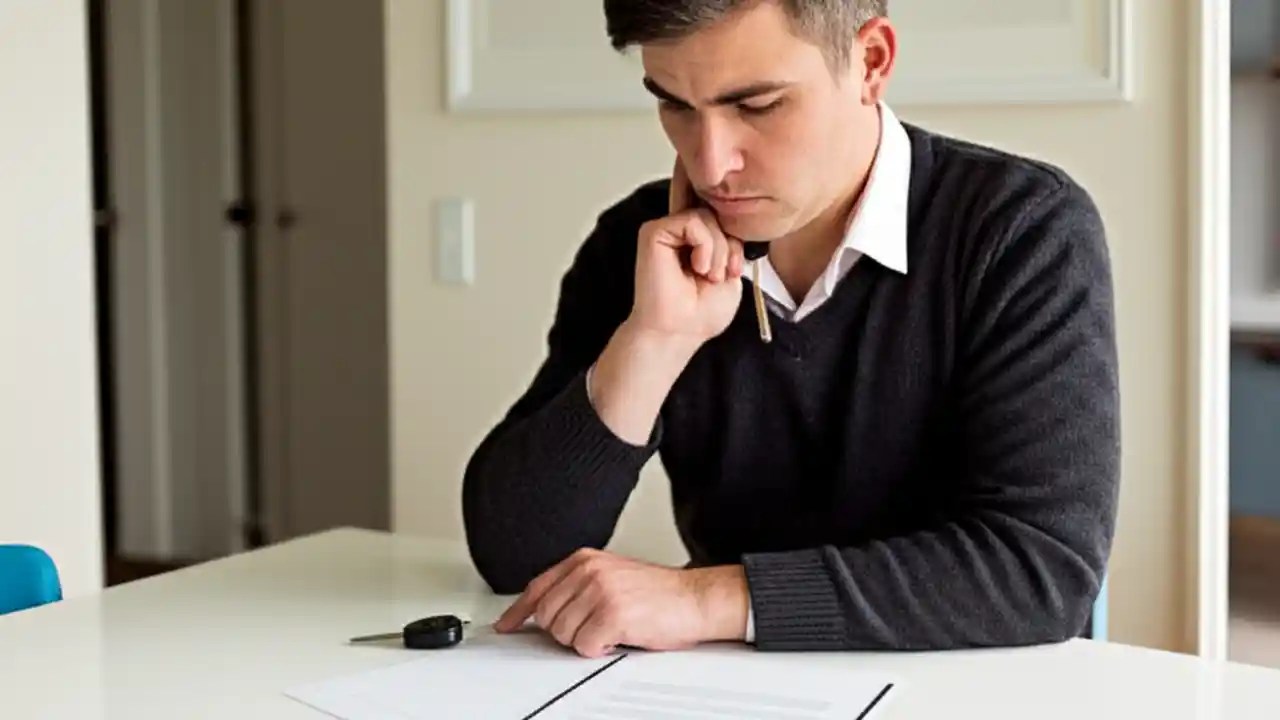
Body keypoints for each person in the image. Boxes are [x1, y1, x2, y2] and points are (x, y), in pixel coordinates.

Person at [462, 0, 1120, 658]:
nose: (710, 164)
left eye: (756, 106)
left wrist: (707, 599)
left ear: (870, 62)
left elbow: (1042, 570)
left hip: (967, 683)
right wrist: (655, 341)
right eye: (674, 104)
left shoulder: (1021, 229)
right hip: (731, 685)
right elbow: (514, 557)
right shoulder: (641, 247)